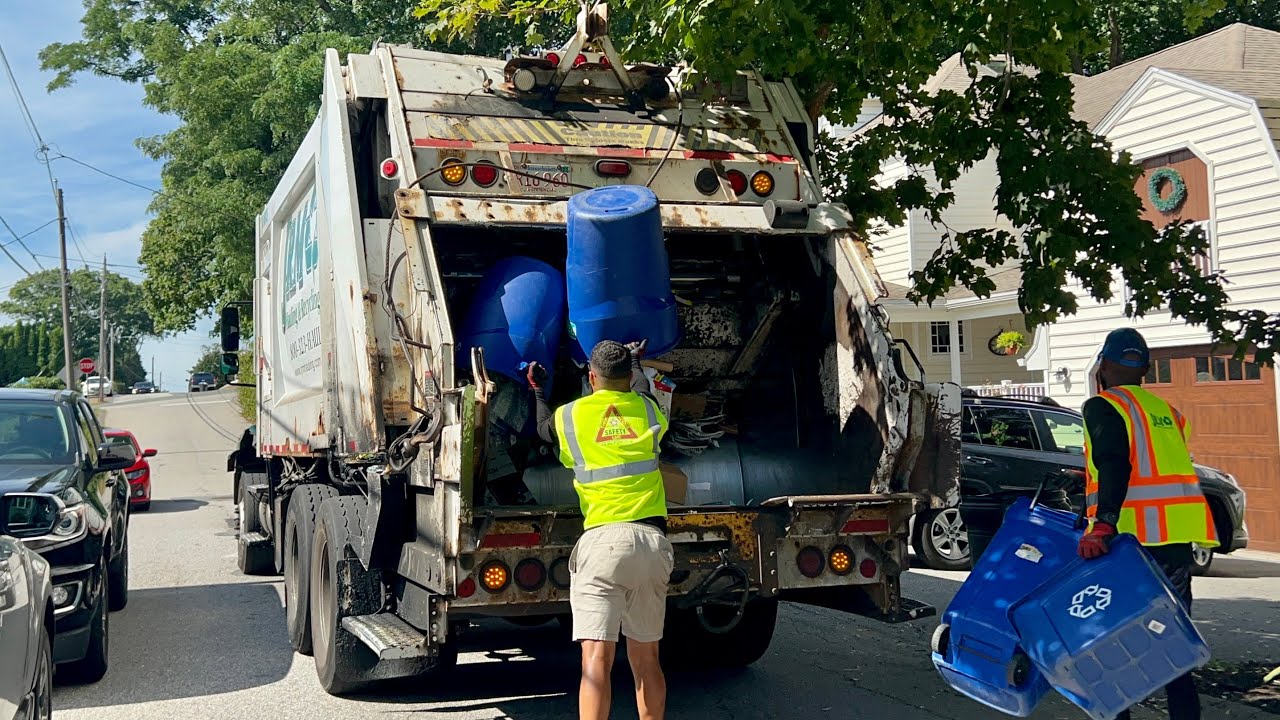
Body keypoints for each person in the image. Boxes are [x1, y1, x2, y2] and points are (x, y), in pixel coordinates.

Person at [525, 339, 673, 720]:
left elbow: (542, 428)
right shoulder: (649, 411)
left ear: (591, 377)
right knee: (647, 659)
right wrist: (638, 360)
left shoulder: (570, 417)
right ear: (628, 378)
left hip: (602, 544)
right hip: (651, 543)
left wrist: (539, 389)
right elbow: (641, 387)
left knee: (596, 660)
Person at [1078, 328, 1218, 720]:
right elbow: (1150, 463)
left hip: (1127, 545)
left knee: (1110, 643)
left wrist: (1102, 524)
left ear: (1104, 365)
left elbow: (1115, 463)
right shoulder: (1166, 412)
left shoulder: (1104, 406)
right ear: (1146, 370)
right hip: (1174, 541)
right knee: (1172, 643)